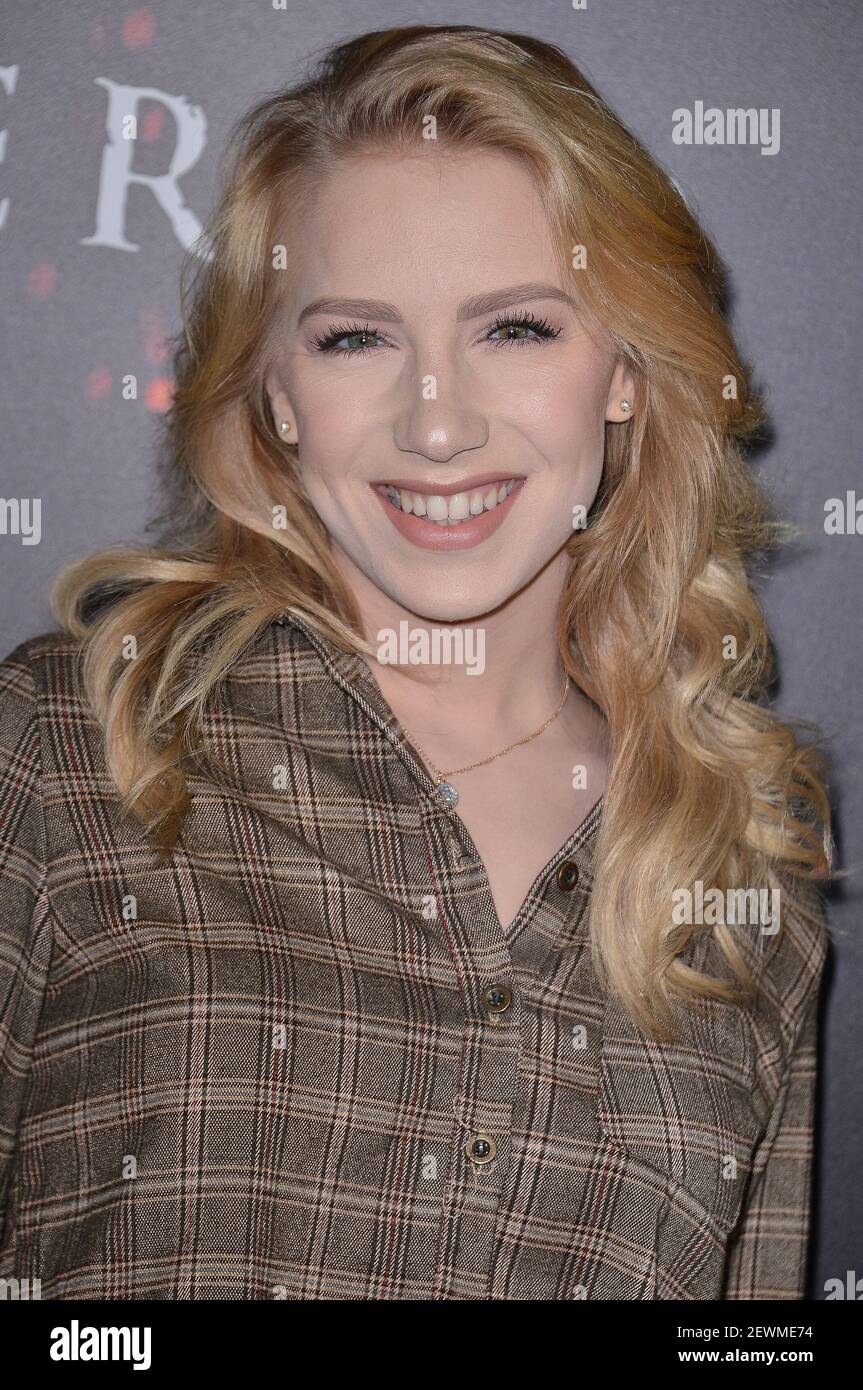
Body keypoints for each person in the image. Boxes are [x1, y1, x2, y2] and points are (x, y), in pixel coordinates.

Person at [0, 24, 834, 1300]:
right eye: (354, 339)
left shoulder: (737, 890)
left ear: (620, 372)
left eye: (514, 329)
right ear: (273, 391)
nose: (436, 422)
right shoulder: (68, 748)